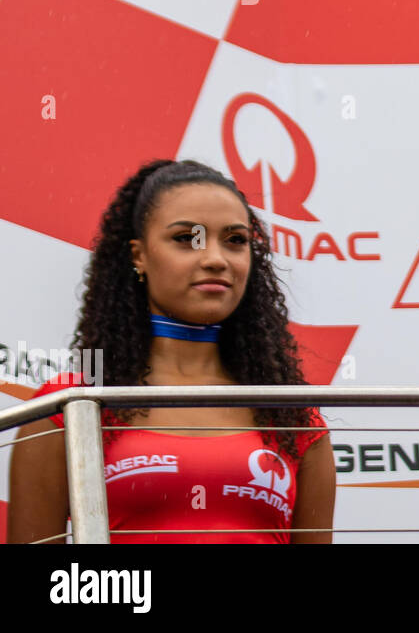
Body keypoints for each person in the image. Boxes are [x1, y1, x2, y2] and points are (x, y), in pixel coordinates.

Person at [7, 159, 335, 544]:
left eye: (235, 240)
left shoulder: (294, 418)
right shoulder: (70, 408)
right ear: (138, 256)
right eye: (186, 239)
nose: (215, 258)